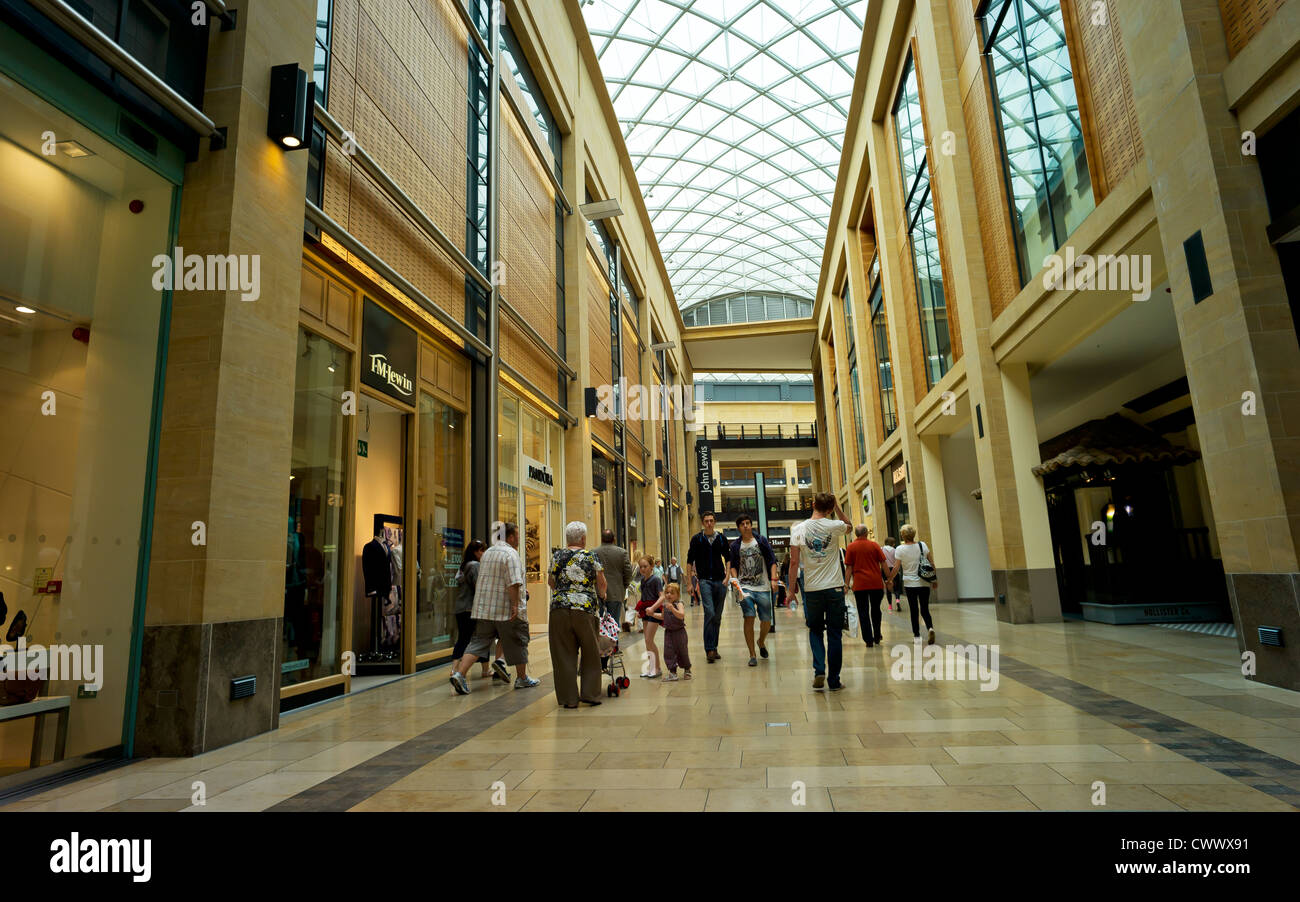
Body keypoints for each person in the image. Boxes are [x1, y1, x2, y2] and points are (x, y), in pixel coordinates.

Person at [450, 523, 539, 694]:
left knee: (479, 641)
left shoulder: (488, 553)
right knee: (518, 640)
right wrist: (515, 605)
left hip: (484, 608)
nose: (519, 539)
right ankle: (522, 678)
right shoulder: (511, 554)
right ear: (510, 537)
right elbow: (513, 582)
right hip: (505, 609)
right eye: (517, 535)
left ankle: (459, 674)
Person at [786, 493, 852, 691]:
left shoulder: (798, 529)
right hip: (834, 588)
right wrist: (837, 507)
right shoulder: (834, 525)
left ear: (813, 504)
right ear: (830, 509)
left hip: (812, 589)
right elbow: (849, 526)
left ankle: (819, 670)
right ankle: (834, 680)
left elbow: (794, 562)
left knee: (815, 630)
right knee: (834, 633)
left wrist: (791, 591)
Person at [547, 521, 607, 708]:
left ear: (567, 538)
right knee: (590, 652)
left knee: (563, 654)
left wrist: (564, 594)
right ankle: (590, 694)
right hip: (585, 609)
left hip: (559, 609)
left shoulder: (557, 556)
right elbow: (601, 583)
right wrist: (602, 595)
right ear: (583, 539)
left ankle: (569, 699)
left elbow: (550, 581)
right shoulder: (591, 556)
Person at [728, 514, 778, 666]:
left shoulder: (761, 541)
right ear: (739, 528)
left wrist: (774, 579)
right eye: (742, 524)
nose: (745, 526)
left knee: (766, 620)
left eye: (747, 523)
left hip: (763, 586)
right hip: (745, 587)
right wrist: (736, 581)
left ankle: (761, 641)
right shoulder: (735, 546)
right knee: (749, 617)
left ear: (751, 525)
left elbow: (772, 561)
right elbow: (733, 566)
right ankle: (752, 654)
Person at [686, 511, 730, 662]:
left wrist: (727, 577)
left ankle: (714, 647)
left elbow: (728, 558)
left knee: (717, 617)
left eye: (711, 520)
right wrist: (689, 583)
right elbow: (689, 561)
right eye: (706, 521)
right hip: (704, 581)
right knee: (709, 612)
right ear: (702, 523)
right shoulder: (697, 539)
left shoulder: (721, 539)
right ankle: (709, 649)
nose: (709, 523)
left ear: (715, 522)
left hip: (720, 581)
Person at [452, 540, 495, 679]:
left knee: (463, 638)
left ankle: (454, 669)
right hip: (471, 608)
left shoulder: (463, 566)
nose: (484, 553)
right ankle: (485, 669)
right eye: (481, 550)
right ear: (475, 552)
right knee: (483, 638)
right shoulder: (475, 565)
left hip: (460, 608)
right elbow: (479, 587)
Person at [889, 524, 936, 645]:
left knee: (914, 610)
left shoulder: (900, 549)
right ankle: (930, 628)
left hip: (910, 584)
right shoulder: (922, 545)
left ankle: (917, 636)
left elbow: (896, 567)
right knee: (925, 609)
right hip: (924, 582)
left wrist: (889, 579)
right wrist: (934, 580)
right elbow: (931, 563)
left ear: (903, 536)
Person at [844, 525, 888, 647]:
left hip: (860, 585)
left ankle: (868, 640)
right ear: (867, 533)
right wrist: (889, 579)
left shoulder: (851, 547)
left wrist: (846, 585)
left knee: (863, 612)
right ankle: (877, 635)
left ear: (856, 534)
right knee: (876, 609)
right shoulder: (874, 545)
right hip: (876, 583)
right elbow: (883, 563)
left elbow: (849, 568)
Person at [648, 582, 690, 681]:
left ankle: (687, 669)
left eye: (672, 593)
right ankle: (672, 672)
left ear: (677, 595)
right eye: (667, 592)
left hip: (679, 632)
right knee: (668, 652)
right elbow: (662, 617)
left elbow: (681, 615)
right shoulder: (665, 606)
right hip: (669, 632)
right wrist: (652, 614)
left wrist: (673, 609)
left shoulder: (679, 604)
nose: (669, 595)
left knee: (682, 651)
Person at [594, 529, 634, 630]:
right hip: (616, 593)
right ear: (614, 539)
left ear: (601, 539)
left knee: (599, 625)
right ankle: (613, 640)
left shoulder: (593, 552)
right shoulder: (622, 553)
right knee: (613, 624)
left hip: (597, 593)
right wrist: (623, 586)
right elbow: (628, 573)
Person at [635, 555, 664, 677]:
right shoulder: (642, 580)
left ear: (651, 566)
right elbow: (644, 597)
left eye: (645, 566)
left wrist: (652, 608)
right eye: (641, 567)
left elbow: (662, 596)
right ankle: (651, 667)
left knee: (649, 640)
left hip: (654, 611)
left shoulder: (656, 580)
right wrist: (640, 610)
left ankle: (657, 668)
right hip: (646, 611)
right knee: (647, 642)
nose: (642, 569)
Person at [882, 537, 900, 611]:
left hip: (885, 570)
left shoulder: (881, 549)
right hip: (894, 570)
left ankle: (890, 605)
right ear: (892, 543)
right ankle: (897, 600)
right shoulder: (895, 550)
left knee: (888, 587)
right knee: (896, 587)